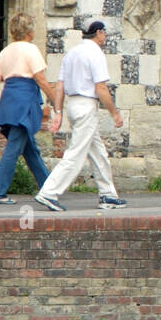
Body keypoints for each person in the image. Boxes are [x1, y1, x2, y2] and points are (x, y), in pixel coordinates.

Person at [33, 20, 128, 212]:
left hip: (73, 105)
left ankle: (108, 194)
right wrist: (114, 113)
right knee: (75, 154)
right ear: (99, 33)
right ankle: (49, 193)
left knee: (98, 152)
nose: (105, 37)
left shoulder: (72, 53)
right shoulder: (95, 53)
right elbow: (100, 88)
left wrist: (58, 111)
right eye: (105, 33)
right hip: (86, 105)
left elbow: (60, 85)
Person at [0, 13, 55, 204]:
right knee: (13, 148)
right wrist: (56, 99)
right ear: (29, 31)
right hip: (25, 99)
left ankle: (49, 188)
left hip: (9, 99)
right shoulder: (31, 50)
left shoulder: (5, 51)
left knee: (30, 149)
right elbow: (40, 78)